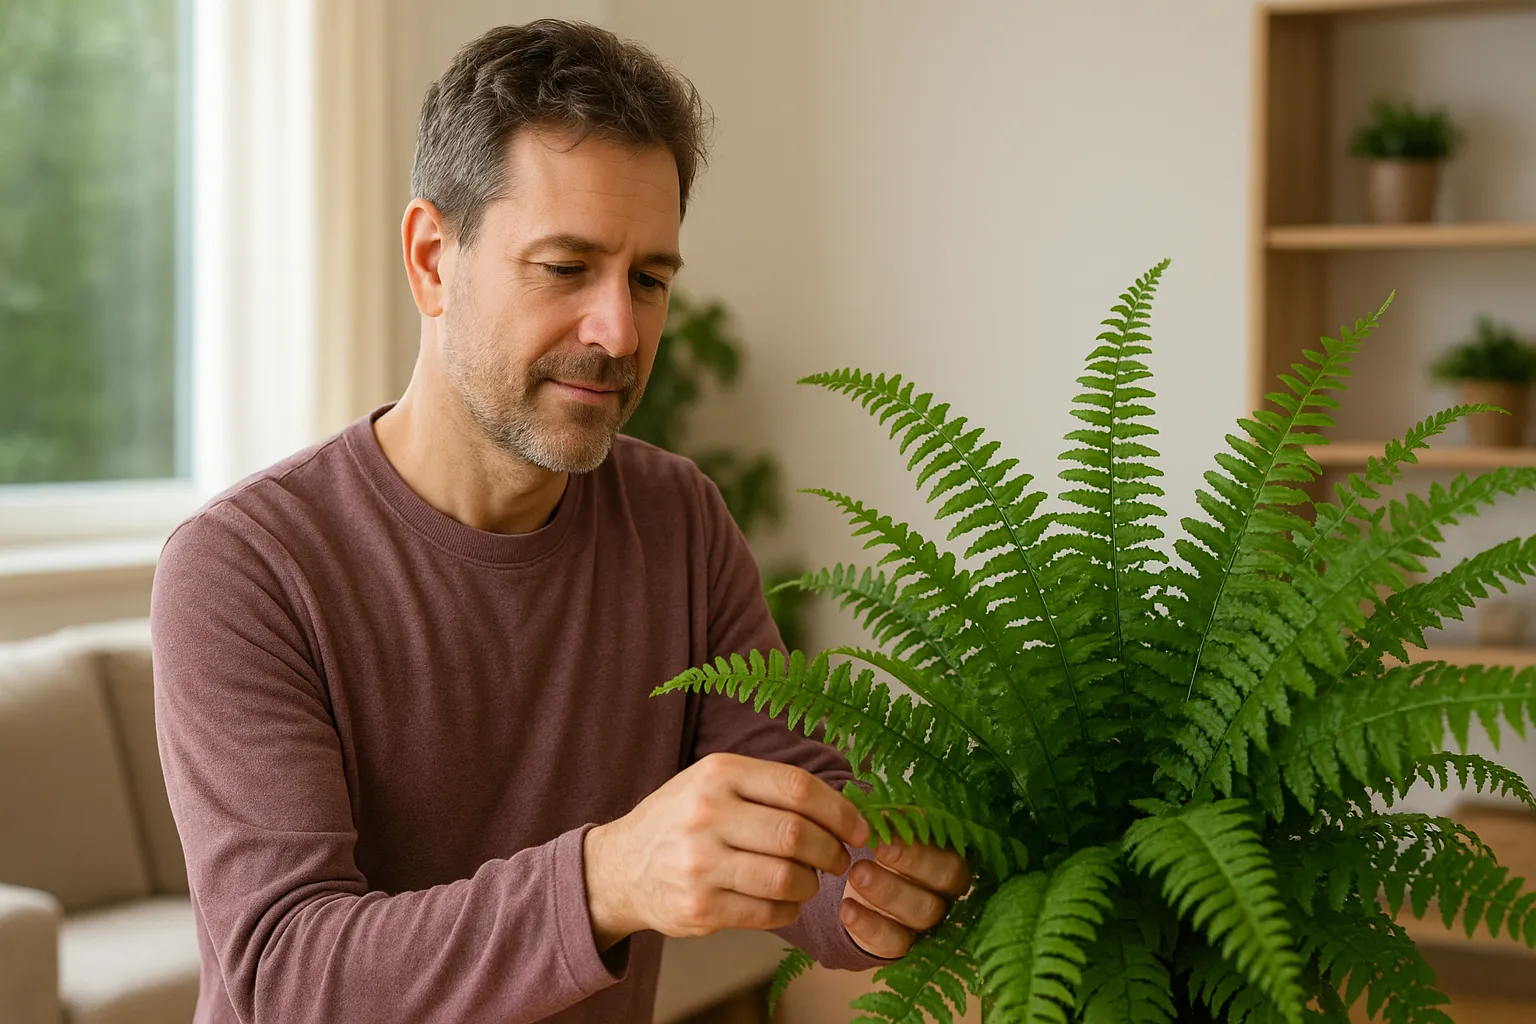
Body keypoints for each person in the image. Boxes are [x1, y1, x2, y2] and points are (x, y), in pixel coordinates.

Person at [151, 19, 970, 1024]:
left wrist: (888, 879)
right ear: (431, 260)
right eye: (565, 267)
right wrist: (605, 880)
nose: (620, 331)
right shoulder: (242, 568)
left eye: (651, 278)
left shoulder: (680, 519)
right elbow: (284, 975)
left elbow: (812, 845)